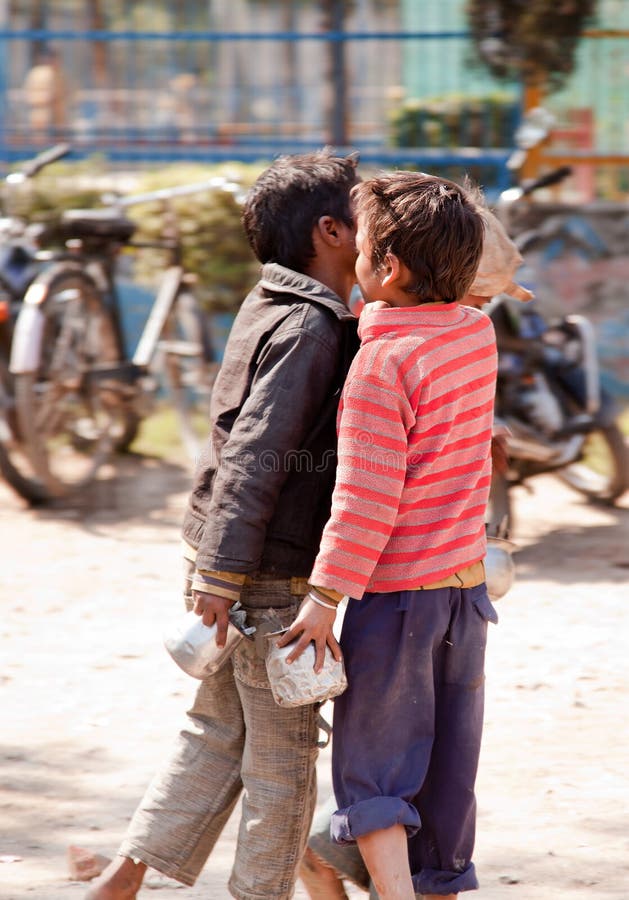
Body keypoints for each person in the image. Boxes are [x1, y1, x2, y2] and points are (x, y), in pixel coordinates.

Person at [87, 149, 360, 900]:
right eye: (367, 208)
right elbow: (257, 455)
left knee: (215, 734)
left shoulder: (269, 301)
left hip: (227, 559)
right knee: (281, 762)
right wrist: (223, 575)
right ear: (332, 231)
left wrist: (213, 568)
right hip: (263, 577)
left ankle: (120, 877)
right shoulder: (311, 328)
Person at [297, 203, 535, 900]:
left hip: (398, 601)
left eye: (362, 250)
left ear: (388, 269)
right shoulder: (474, 334)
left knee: (375, 769)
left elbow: (364, 502)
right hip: (466, 598)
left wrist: (323, 597)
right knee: (449, 768)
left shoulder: (381, 364)